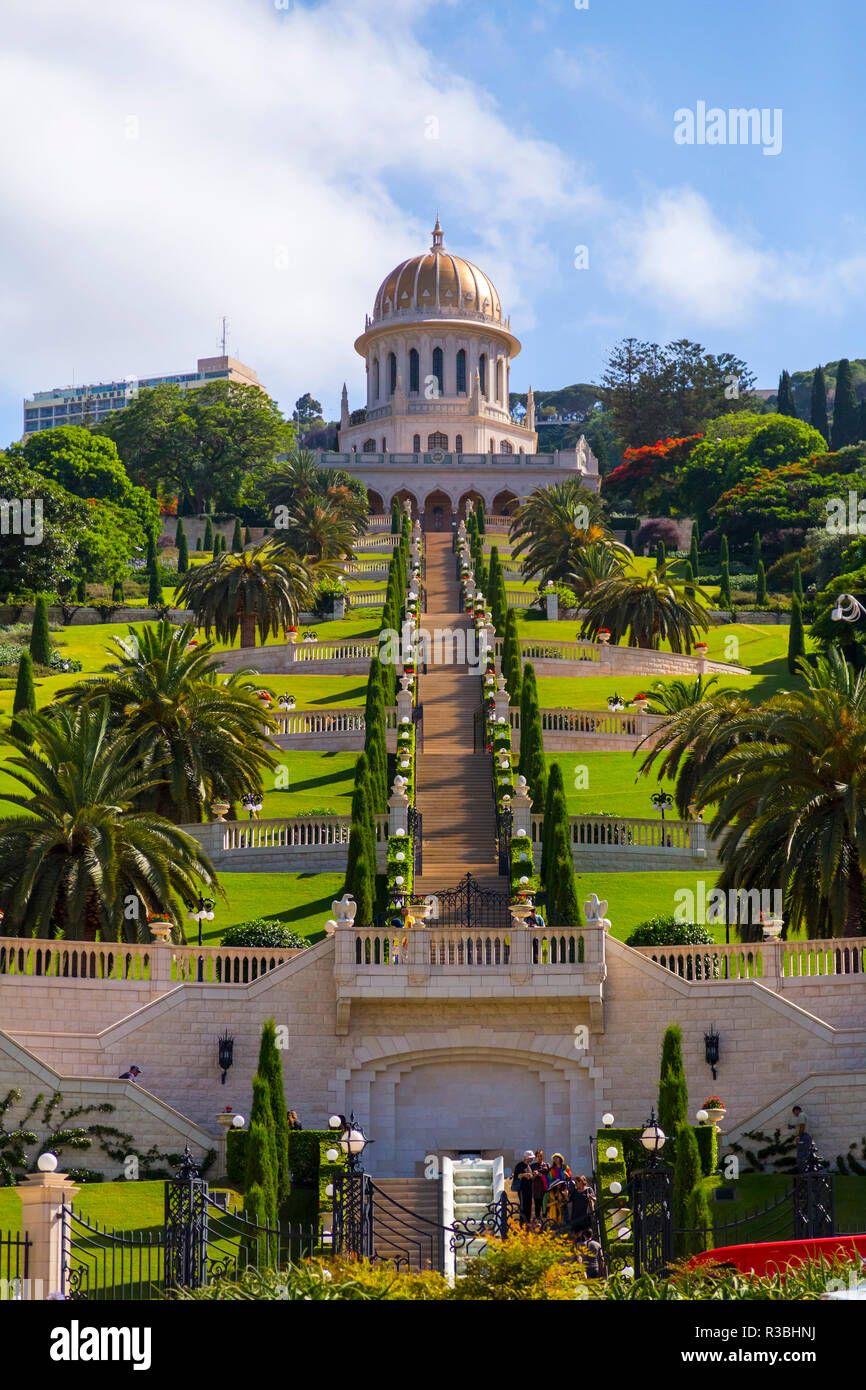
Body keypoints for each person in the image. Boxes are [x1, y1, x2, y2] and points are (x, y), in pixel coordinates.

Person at [545, 1153, 573, 1224]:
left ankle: (566, 1222)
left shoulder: (565, 1167)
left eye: (557, 1158)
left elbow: (570, 1178)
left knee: (564, 1204)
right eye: (554, 1159)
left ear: (560, 1159)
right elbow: (548, 1179)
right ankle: (556, 1222)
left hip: (564, 1188)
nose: (555, 1160)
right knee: (556, 1204)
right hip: (555, 1190)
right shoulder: (552, 1169)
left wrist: (567, 1175)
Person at [511, 1150, 536, 1223]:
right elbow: (516, 1176)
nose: (532, 1159)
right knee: (523, 1206)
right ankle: (522, 1224)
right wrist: (524, 1175)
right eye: (531, 1158)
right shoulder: (520, 1165)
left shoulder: (529, 1166)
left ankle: (527, 1223)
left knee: (529, 1206)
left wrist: (532, 1175)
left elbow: (530, 1177)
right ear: (526, 1158)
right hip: (522, 1189)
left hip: (529, 1189)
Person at [569, 1174, 596, 1238]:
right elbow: (569, 1200)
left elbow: (595, 1199)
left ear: (581, 1182)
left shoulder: (589, 1190)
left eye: (576, 1182)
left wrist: (591, 1198)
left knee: (586, 1235)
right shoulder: (575, 1191)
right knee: (576, 1235)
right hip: (576, 1217)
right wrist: (566, 1195)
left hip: (585, 1217)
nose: (575, 1184)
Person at [531, 1149, 550, 1219]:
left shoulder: (547, 1166)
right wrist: (534, 1176)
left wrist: (540, 1175)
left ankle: (545, 1224)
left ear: (543, 1156)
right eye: (538, 1156)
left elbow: (549, 1178)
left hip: (545, 1190)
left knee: (545, 1208)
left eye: (541, 1156)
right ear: (536, 1157)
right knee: (537, 1208)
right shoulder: (532, 1166)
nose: (540, 1157)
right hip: (536, 1191)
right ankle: (538, 1224)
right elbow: (530, 1179)